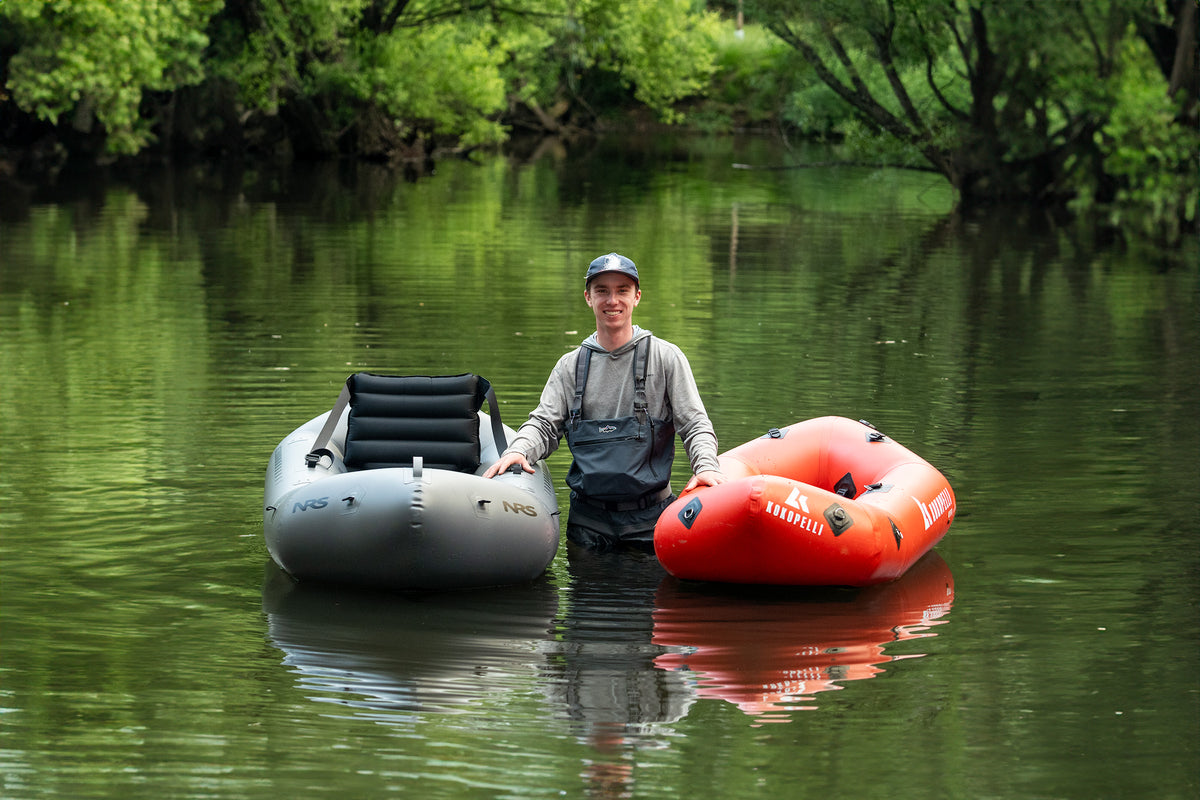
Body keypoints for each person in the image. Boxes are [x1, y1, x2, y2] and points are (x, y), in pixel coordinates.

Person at [484, 252, 726, 550]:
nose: (612, 300)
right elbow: (544, 425)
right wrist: (518, 450)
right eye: (602, 291)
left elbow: (695, 424)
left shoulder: (666, 357)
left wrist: (706, 468)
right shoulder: (569, 365)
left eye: (622, 290)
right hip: (587, 522)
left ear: (637, 297)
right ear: (588, 297)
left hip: (653, 520)